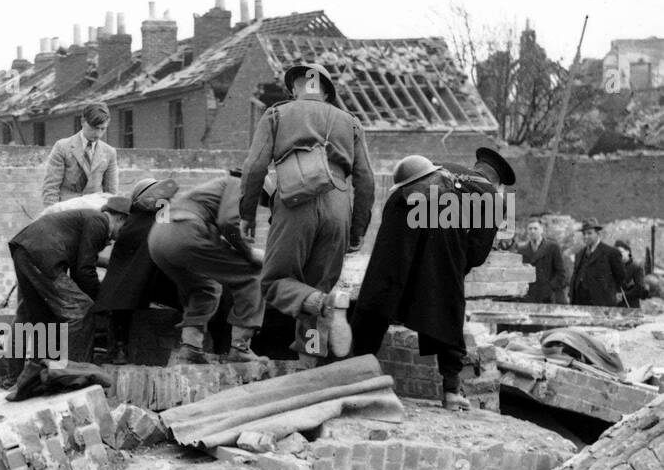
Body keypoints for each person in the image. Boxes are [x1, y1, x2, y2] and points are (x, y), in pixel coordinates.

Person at [350, 149, 513, 410]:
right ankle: (451, 391)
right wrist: (450, 269)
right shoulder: (491, 195)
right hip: (444, 215)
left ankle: (354, 369)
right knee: (446, 300)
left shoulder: (438, 165)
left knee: (383, 282)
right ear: (497, 182)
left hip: (403, 198)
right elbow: (478, 253)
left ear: (477, 166)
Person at [239, 62, 375, 362]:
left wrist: (247, 215)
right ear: (327, 93)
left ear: (294, 89)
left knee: (277, 283)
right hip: (338, 204)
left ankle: (322, 303)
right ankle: (310, 361)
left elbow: (254, 168)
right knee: (316, 289)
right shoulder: (350, 122)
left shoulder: (277, 113)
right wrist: (358, 229)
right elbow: (366, 180)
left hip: (294, 200)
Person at [6, 198, 131, 397]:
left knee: (44, 318)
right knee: (82, 310)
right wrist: (101, 301)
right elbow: (83, 270)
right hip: (44, 253)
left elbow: (81, 262)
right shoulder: (100, 221)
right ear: (120, 218)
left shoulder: (86, 220)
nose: (116, 238)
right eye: (125, 227)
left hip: (25, 248)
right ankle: (74, 375)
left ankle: (36, 378)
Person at [148, 171, 265, 364]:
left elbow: (215, 233)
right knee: (251, 275)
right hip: (185, 233)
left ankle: (190, 348)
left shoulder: (210, 189)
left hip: (158, 238)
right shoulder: (239, 183)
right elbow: (228, 223)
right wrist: (248, 253)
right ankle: (240, 347)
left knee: (204, 288)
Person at [93, 177, 182, 363]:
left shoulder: (131, 223)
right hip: (162, 271)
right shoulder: (163, 213)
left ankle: (119, 349)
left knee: (121, 294)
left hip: (134, 285)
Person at [41, 103, 118, 207]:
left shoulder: (109, 152)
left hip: (93, 214)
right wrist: (53, 217)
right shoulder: (62, 147)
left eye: (102, 129)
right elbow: (50, 188)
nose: (98, 134)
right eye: (94, 128)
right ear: (83, 122)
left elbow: (111, 194)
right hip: (67, 212)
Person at [569, 221, 627, 307]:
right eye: (584, 234)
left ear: (598, 234)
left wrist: (610, 292)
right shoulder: (580, 254)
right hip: (580, 301)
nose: (586, 236)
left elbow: (621, 276)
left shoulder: (611, 252)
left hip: (601, 302)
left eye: (589, 233)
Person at [516, 216, 566, 304]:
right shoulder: (522, 250)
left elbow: (561, 273)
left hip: (547, 296)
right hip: (529, 296)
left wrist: (549, 288)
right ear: (527, 231)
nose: (532, 231)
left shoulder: (552, 247)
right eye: (530, 229)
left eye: (535, 228)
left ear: (541, 230)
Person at [615, 240, 646, 308]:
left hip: (631, 306)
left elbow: (640, 289)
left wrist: (622, 296)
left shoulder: (637, 266)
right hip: (616, 307)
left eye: (620, 252)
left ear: (628, 251)